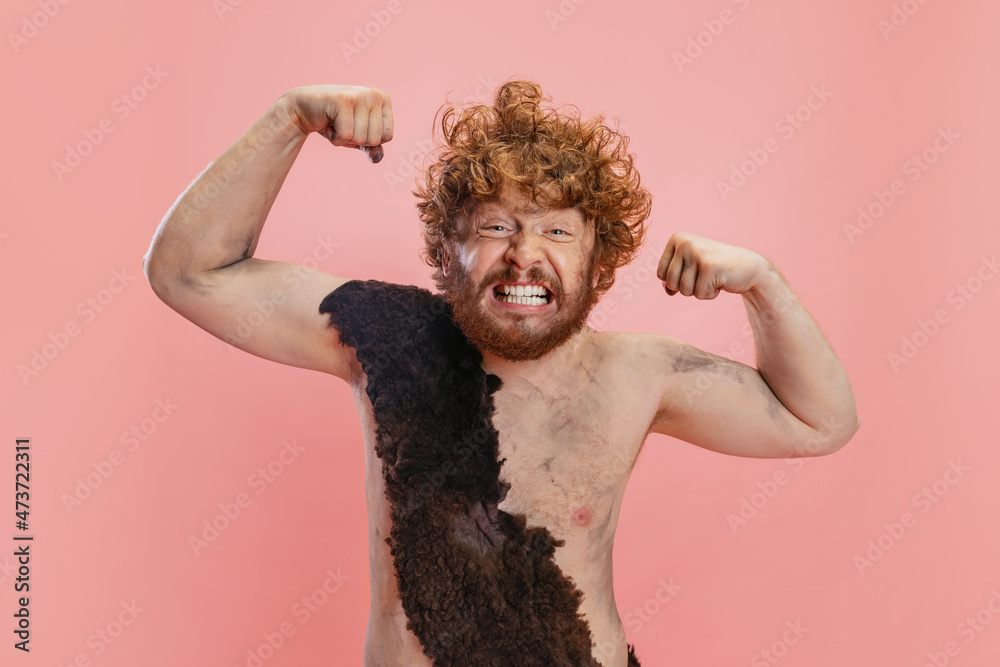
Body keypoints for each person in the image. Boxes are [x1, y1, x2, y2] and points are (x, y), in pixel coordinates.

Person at [143, 80, 860, 667]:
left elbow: (819, 420)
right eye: (493, 227)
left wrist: (762, 283)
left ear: (598, 262)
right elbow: (188, 272)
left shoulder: (639, 373)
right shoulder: (386, 337)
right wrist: (290, 117)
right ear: (447, 249)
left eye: (556, 229)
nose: (523, 254)